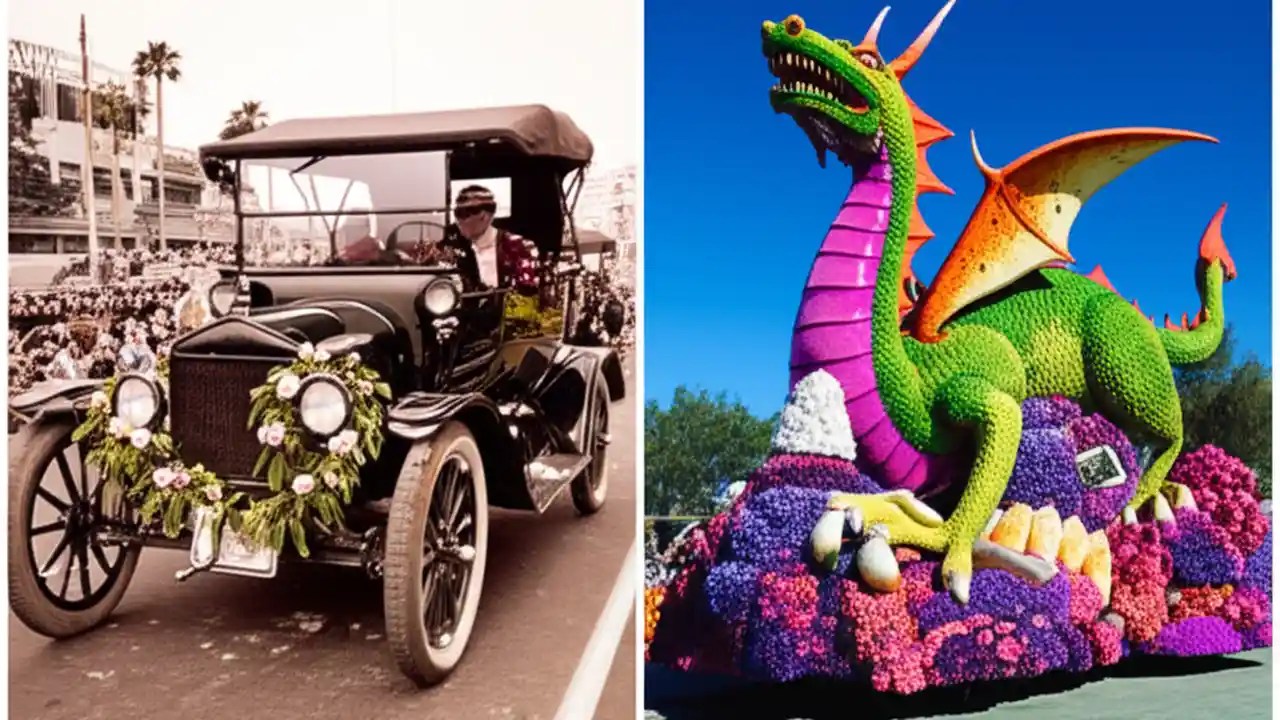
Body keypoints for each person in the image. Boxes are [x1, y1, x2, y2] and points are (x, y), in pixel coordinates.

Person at [445, 185, 540, 294]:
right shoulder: (452, 249)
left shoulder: (519, 247)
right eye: (456, 213)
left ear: (485, 216)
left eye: (463, 214)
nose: (458, 221)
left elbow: (530, 293)